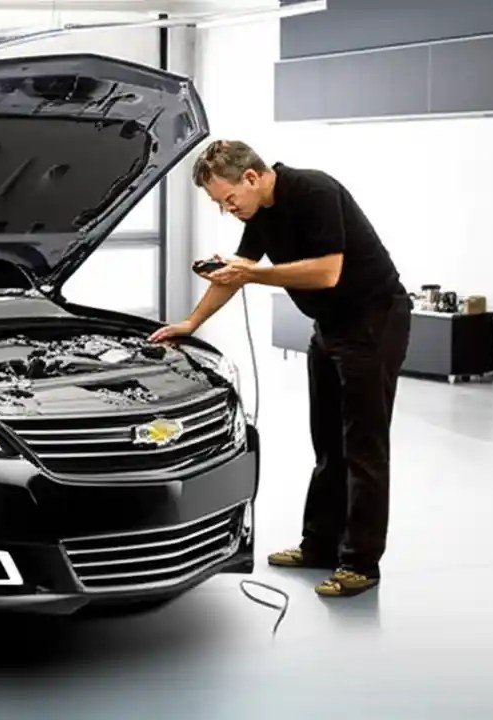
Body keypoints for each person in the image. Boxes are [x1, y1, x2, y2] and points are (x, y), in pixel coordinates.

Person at [149, 140, 411, 598]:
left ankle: (361, 564)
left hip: (374, 321)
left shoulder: (315, 191)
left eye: (227, 199)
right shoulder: (259, 215)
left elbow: (327, 272)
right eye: (218, 204)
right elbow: (239, 269)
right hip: (329, 326)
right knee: (327, 442)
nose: (227, 210)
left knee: (363, 447)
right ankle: (319, 546)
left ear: (251, 177)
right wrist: (192, 322)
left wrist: (249, 275)